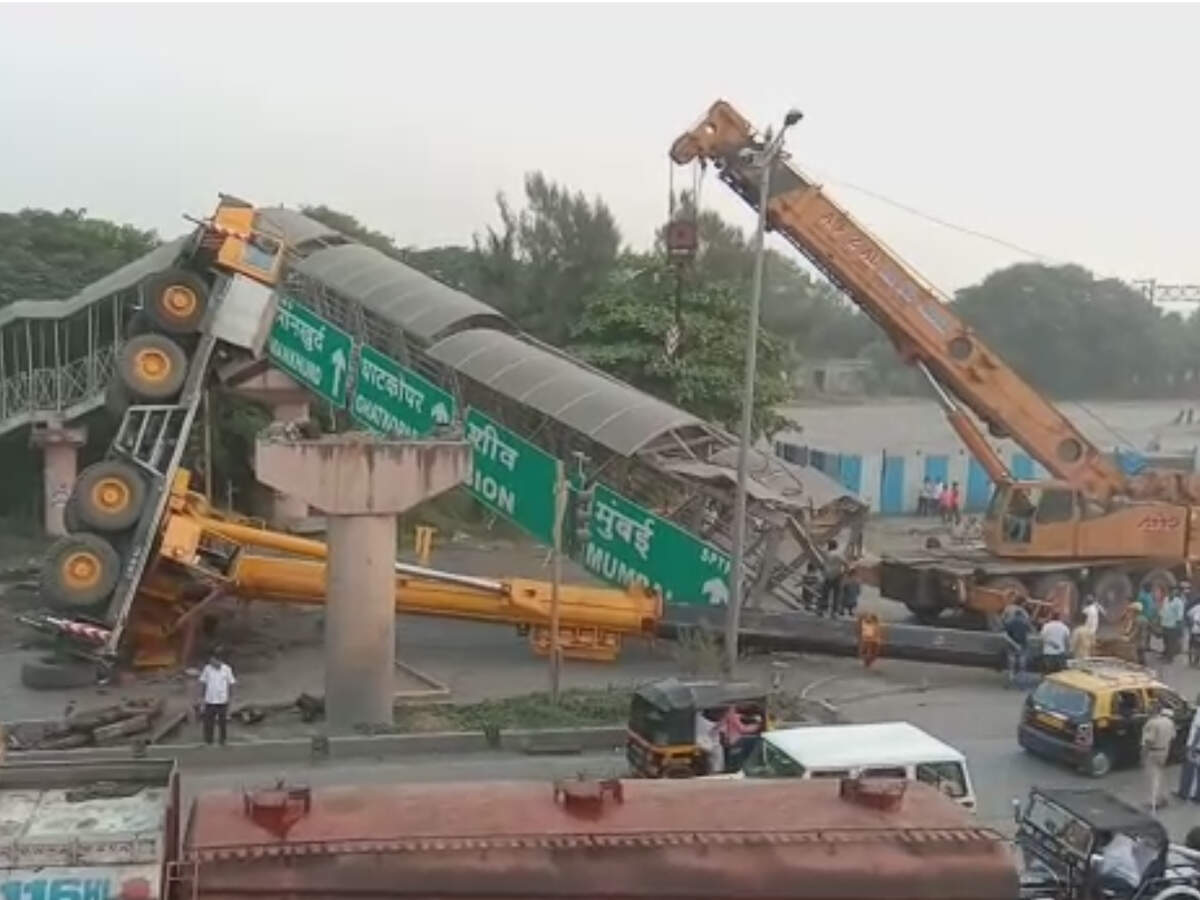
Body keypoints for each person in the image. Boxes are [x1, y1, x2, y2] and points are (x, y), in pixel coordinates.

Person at [1141, 700, 1176, 811]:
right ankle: (1163, 797)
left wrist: (1143, 754)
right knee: (1160, 774)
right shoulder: (1168, 721)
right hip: (1164, 750)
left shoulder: (1151, 723)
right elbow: (1173, 736)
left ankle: (1153, 801)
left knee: (1152, 777)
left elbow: (1149, 741)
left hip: (1153, 751)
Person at [198, 649, 236, 746]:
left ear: (218, 660)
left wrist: (231, 698)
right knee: (208, 722)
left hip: (222, 700)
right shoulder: (207, 669)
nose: (211, 662)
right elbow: (203, 683)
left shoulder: (227, 669)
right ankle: (208, 740)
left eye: (213, 660)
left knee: (222, 722)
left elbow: (231, 683)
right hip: (210, 700)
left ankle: (223, 740)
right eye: (211, 660)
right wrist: (201, 698)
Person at [1001, 598, 1032, 688]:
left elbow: (1003, 619)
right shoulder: (1024, 615)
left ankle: (1010, 681)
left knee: (1011, 664)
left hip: (1011, 643)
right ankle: (1021, 683)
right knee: (1022, 664)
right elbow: (1029, 629)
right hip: (1022, 644)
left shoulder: (1008, 608)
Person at [1177, 699, 1200, 802]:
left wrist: (1192, 748)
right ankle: (1196, 795)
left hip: (1195, 747)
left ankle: (1184, 793)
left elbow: (1198, 731)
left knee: (1188, 770)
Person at [820, 540, 846, 618]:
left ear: (829, 546)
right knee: (837, 594)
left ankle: (822, 610)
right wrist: (846, 571)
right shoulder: (839, 554)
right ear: (836, 546)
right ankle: (834, 612)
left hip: (827, 576)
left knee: (825, 594)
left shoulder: (826, 553)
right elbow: (845, 563)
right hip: (837, 576)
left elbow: (820, 550)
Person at [1162, 586, 1185, 663]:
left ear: (1174, 593)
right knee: (1165, 641)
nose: (1171, 593)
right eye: (1170, 592)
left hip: (1173, 625)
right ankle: (1166, 655)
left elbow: (1180, 614)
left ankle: (1170, 659)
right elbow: (1163, 610)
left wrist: (1178, 623)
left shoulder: (1178, 602)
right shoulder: (1165, 599)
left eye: (1173, 592)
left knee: (1171, 642)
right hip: (1165, 623)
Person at [1080, 594, 1101, 658]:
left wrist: (1083, 605)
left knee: (1086, 643)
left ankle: (1087, 655)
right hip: (1094, 627)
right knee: (1092, 642)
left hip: (1088, 628)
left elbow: (1082, 613)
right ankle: (1092, 655)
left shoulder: (1088, 609)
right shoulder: (1095, 607)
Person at [1188, 595, 1200, 668]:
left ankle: (1194, 661)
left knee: (1193, 644)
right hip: (1196, 629)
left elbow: (1189, 614)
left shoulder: (1196, 607)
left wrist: (1192, 621)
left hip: (1195, 630)